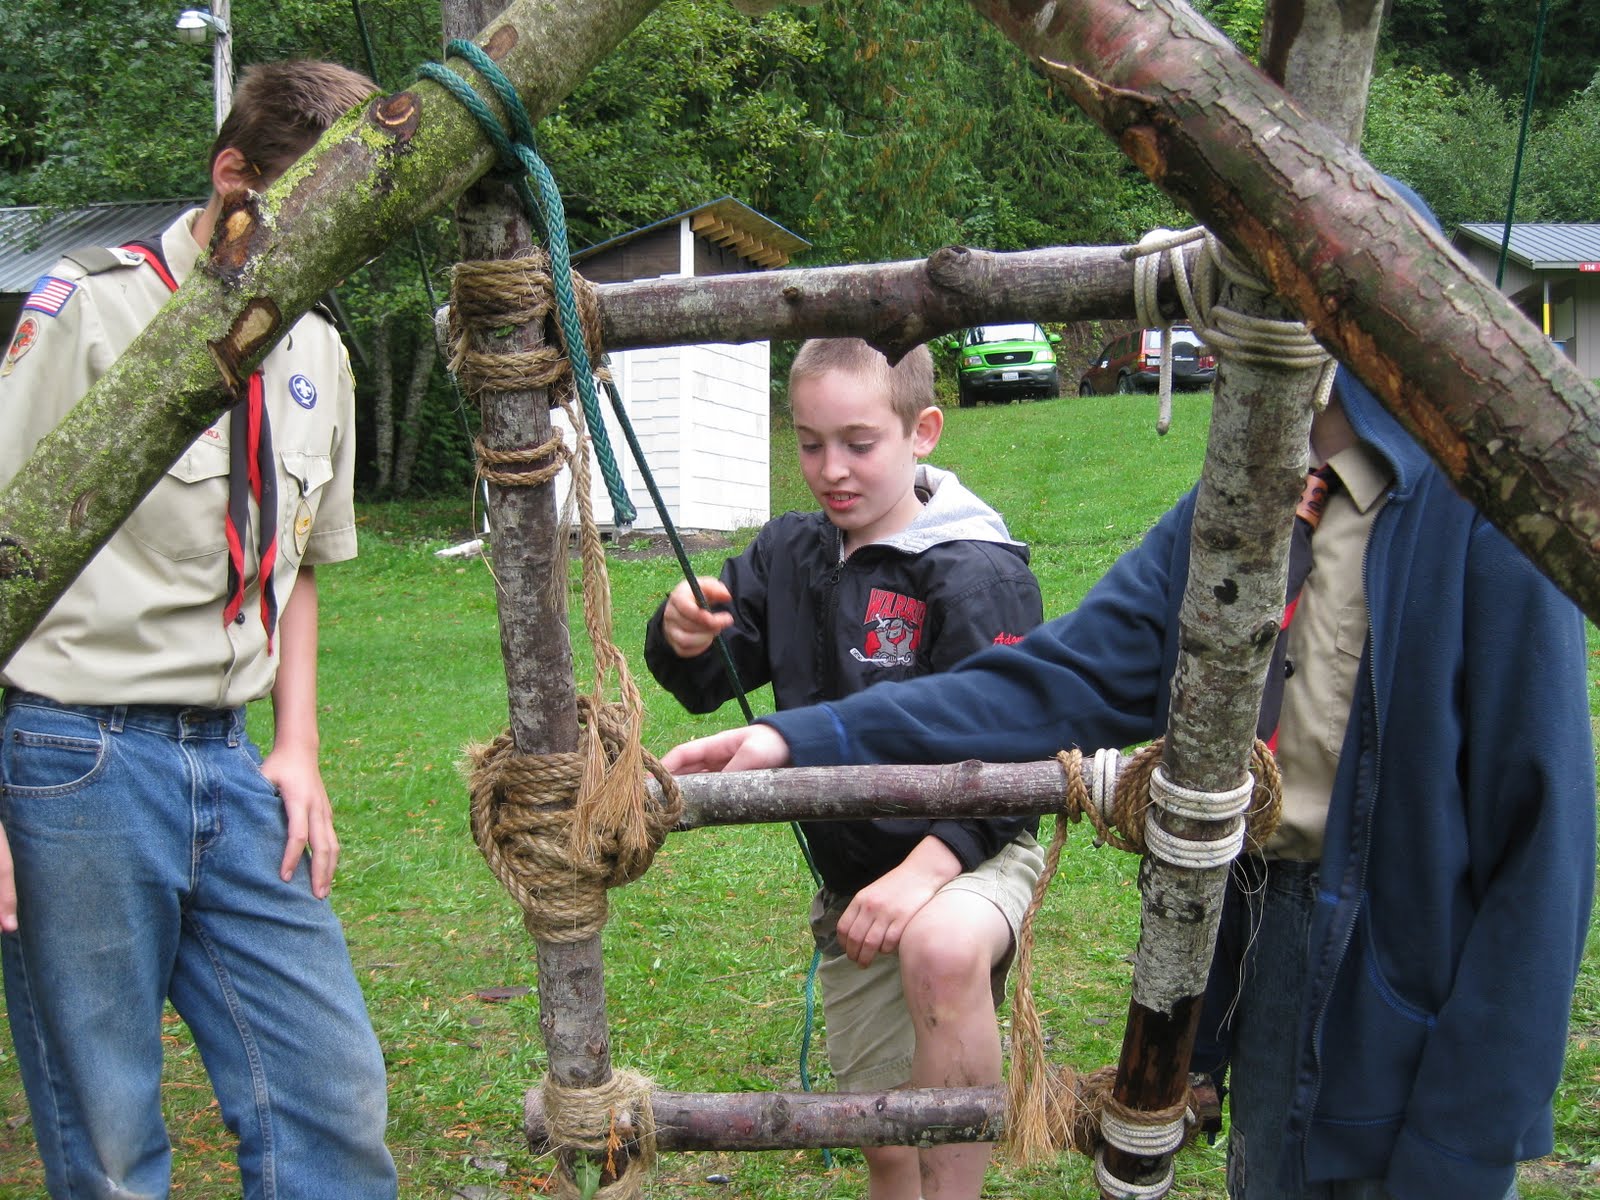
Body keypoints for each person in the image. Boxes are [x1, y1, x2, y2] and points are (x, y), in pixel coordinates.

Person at [663, 188, 1595, 1200]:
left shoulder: (1481, 518)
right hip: (1262, 937)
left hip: (1404, 976)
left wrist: (1470, 1138)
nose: (1218, 339)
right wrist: (805, 739)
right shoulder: (1236, 512)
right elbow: (1049, 680)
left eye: (1240, 299)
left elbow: (1542, 839)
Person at [0, 61, 398, 1198]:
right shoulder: (92, 311)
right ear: (234, 179)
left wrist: (299, 745)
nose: (334, 259)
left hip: (230, 765)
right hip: (77, 758)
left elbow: (302, 566)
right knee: (111, 1143)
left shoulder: (318, 348)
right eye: (317, 225)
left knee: (331, 1096)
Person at [645, 337, 1046, 1200]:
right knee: (884, 1140)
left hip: (971, 847)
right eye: (809, 443)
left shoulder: (975, 572)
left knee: (941, 950)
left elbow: (1016, 750)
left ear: (922, 431)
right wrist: (682, 634)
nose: (831, 470)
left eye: (859, 444)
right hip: (855, 884)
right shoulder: (789, 553)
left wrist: (925, 872)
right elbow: (712, 679)